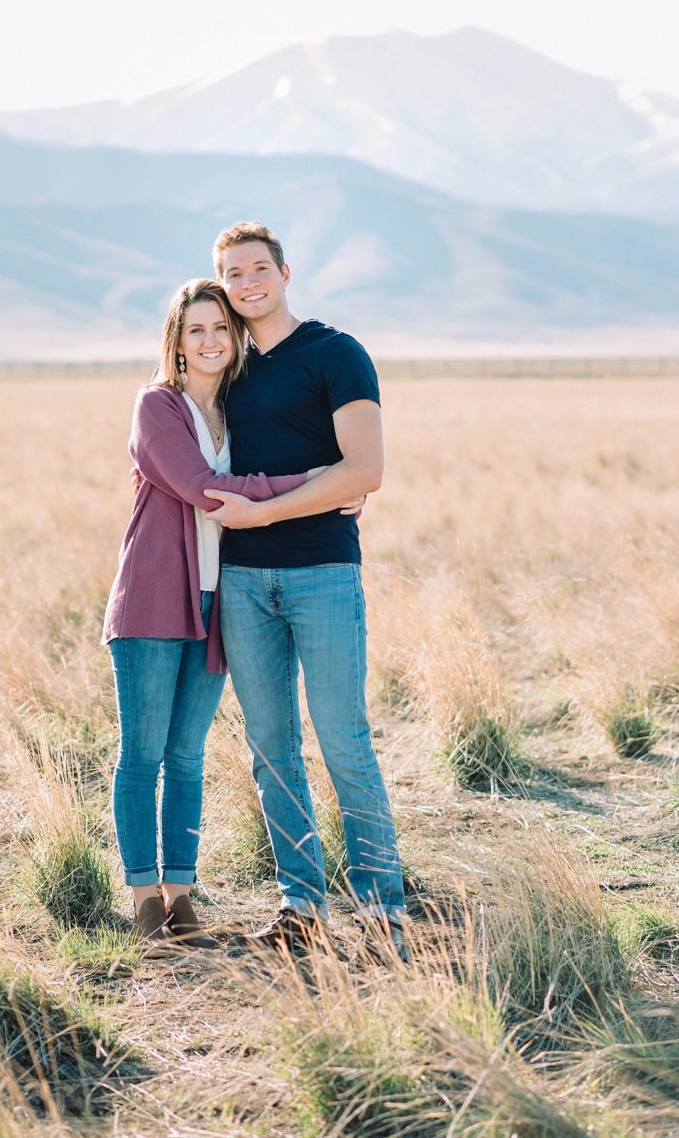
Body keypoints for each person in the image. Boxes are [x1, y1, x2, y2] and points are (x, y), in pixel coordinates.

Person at [103, 276, 333, 953]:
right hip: (152, 599)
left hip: (215, 602)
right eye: (194, 329)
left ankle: (182, 896)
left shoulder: (238, 414)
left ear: (235, 340)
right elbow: (209, 490)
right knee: (142, 756)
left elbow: (251, 482)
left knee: (188, 755)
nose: (208, 340)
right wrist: (320, 485)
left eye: (218, 329)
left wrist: (319, 486)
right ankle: (144, 898)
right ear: (176, 341)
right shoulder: (158, 408)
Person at [202, 221, 407, 958]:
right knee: (271, 748)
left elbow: (364, 470)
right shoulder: (222, 368)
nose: (247, 283)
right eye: (233, 273)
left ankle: (385, 909)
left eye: (258, 268)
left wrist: (266, 510)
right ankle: (302, 908)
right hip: (243, 580)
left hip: (322, 571)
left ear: (286, 273)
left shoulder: (336, 354)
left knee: (344, 739)